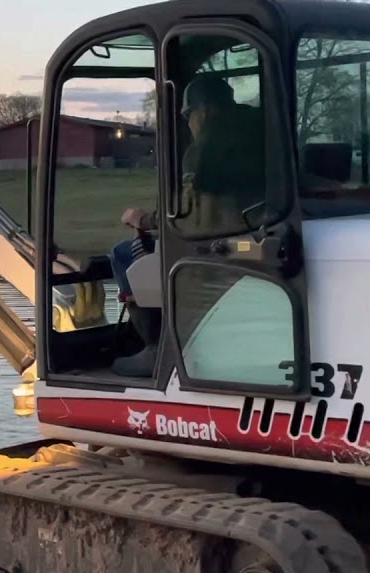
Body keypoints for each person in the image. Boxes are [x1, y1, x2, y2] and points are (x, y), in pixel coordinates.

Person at [108, 73, 260, 377]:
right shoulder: (259, 134)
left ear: (202, 110)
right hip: (254, 242)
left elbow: (187, 219)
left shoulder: (204, 150)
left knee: (124, 254)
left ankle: (157, 347)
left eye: (188, 115)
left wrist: (142, 219)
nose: (188, 123)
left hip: (219, 250)